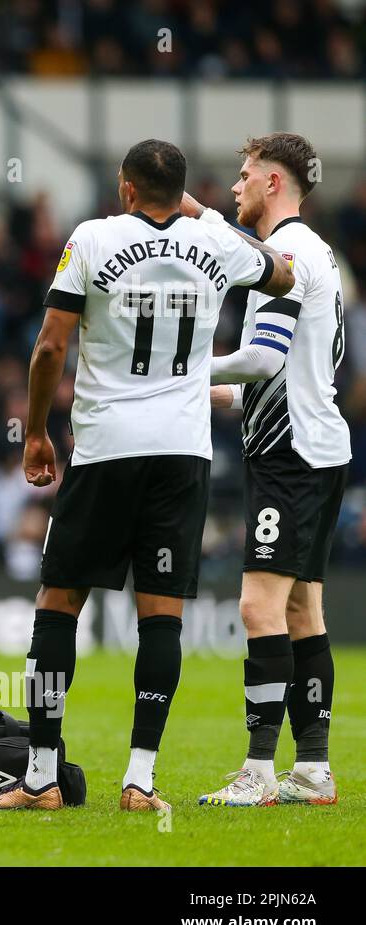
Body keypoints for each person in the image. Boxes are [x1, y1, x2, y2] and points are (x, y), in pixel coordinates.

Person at [0, 139, 294, 812]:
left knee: (58, 604)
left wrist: (35, 432)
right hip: (182, 454)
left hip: (104, 450)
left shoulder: (92, 239)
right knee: (162, 617)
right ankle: (140, 780)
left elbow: (51, 345)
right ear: (180, 191)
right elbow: (284, 273)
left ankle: (40, 777)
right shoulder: (215, 243)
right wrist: (206, 218)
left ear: (125, 189)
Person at [196, 133, 350, 808]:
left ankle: (258, 771)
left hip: (290, 460)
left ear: (274, 184)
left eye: (245, 174)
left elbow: (261, 359)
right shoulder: (315, 253)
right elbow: (275, 374)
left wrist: (189, 364)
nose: (236, 187)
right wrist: (205, 391)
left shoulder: (285, 255)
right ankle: (312, 769)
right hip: (314, 450)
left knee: (258, 606)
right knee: (300, 608)